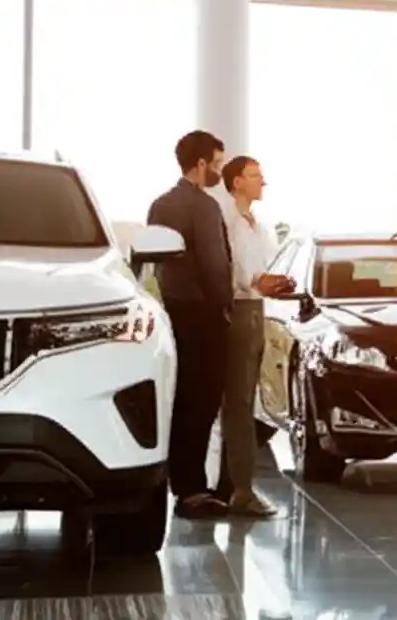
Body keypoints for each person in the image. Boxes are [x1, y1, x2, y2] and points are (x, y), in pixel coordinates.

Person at [147, 130, 233, 519]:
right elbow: (215, 266)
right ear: (200, 164)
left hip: (173, 309)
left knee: (180, 399)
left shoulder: (159, 205)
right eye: (217, 162)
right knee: (203, 401)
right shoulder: (204, 206)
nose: (219, 170)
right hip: (204, 313)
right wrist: (224, 308)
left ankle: (179, 482)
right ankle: (193, 489)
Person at [213, 155, 293, 518]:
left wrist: (276, 282)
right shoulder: (225, 221)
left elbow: (267, 269)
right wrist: (256, 281)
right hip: (237, 311)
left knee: (252, 400)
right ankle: (239, 488)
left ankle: (233, 484)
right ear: (236, 182)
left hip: (259, 312)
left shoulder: (259, 227)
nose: (262, 181)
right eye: (255, 176)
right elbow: (229, 271)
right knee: (239, 404)